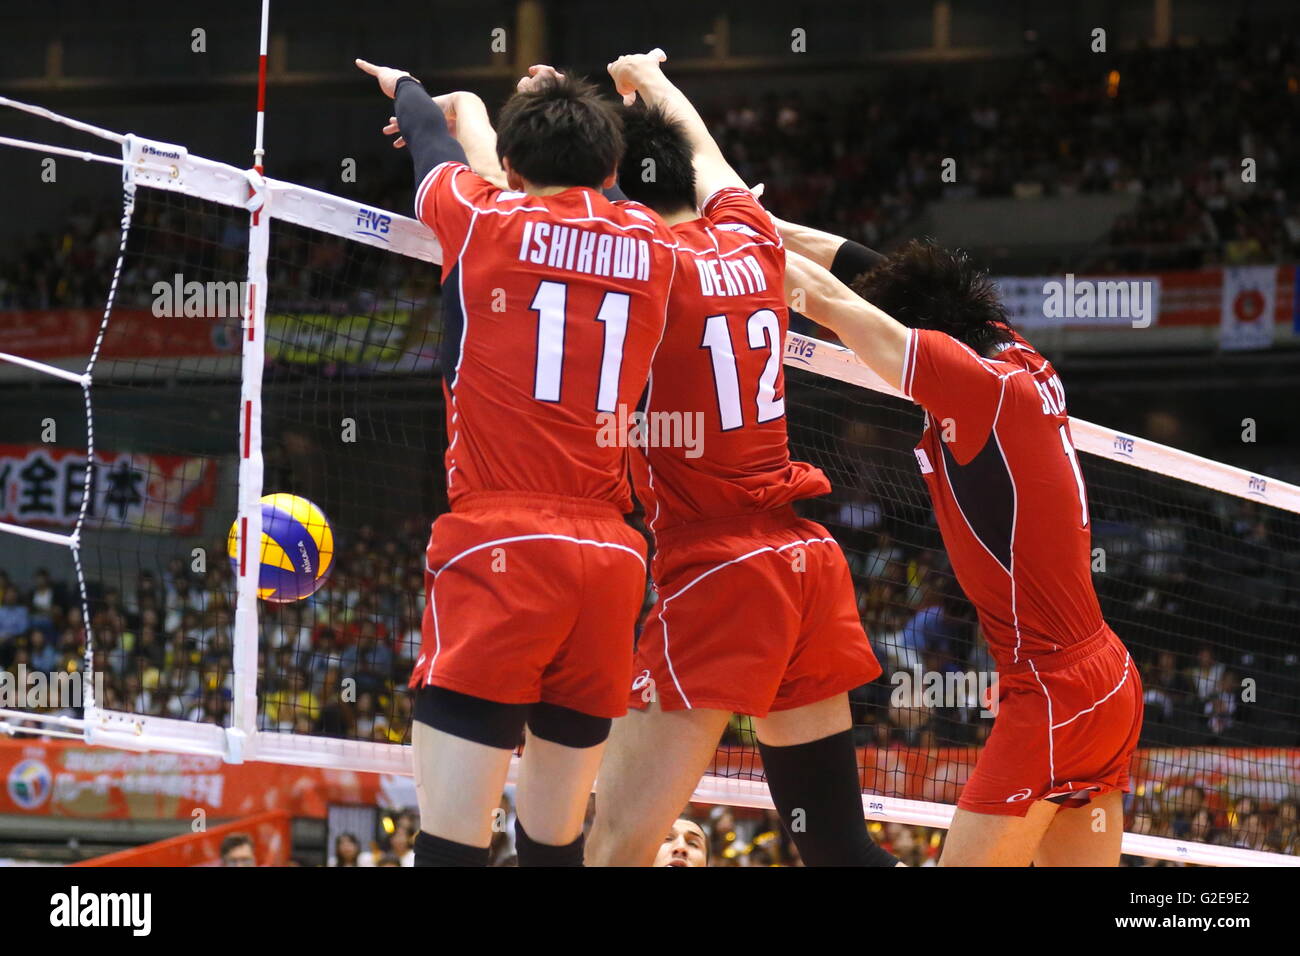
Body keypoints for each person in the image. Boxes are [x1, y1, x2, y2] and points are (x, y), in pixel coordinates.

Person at [548, 51, 893, 868]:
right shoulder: (751, 235)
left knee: (611, 849)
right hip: (805, 563)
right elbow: (705, 152)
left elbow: (538, 211)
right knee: (839, 849)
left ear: (622, 189)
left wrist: (550, 114)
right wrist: (650, 80)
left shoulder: (642, 265)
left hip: (718, 571)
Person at [356, 58, 677, 867]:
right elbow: (584, 191)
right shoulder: (653, 245)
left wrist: (413, 91)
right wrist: (548, 106)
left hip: (501, 545)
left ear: (507, 166)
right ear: (610, 169)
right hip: (610, 558)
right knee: (552, 847)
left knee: (452, 846)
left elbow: (432, 144)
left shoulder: (481, 218)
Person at [778, 233, 1144, 866]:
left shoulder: (971, 386)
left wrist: (720, 243)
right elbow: (873, 271)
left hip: (1050, 688)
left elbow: (836, 303)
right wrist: (760, 220)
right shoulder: (1012, 351)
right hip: (1108, 680)